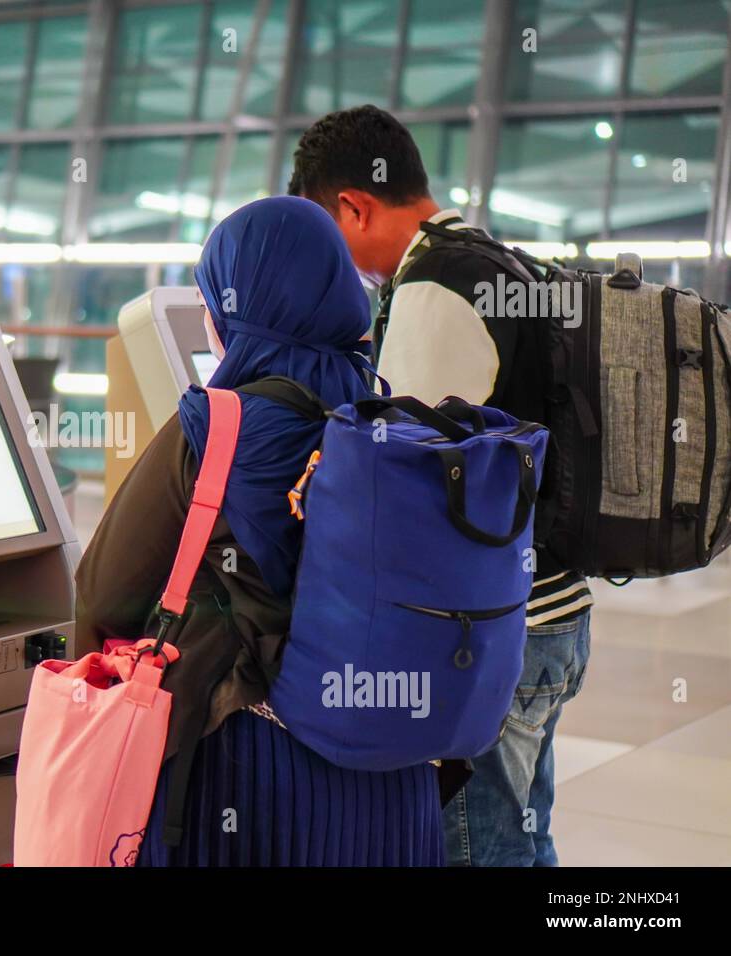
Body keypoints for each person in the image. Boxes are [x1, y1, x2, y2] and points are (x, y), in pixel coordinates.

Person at [75, 195, 445, 866]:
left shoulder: (215, 427)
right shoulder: (392, 422)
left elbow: (104, 595)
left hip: (255, 780)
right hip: (399, 783)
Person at [288, 104, 592, 867]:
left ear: (354, 206)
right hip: (554, 611)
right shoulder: (497, 260)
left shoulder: (433, 287)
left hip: (494, 635)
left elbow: (396, 478)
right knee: (521, 839)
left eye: (332, 237)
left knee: (473, 855)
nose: (344, 267)